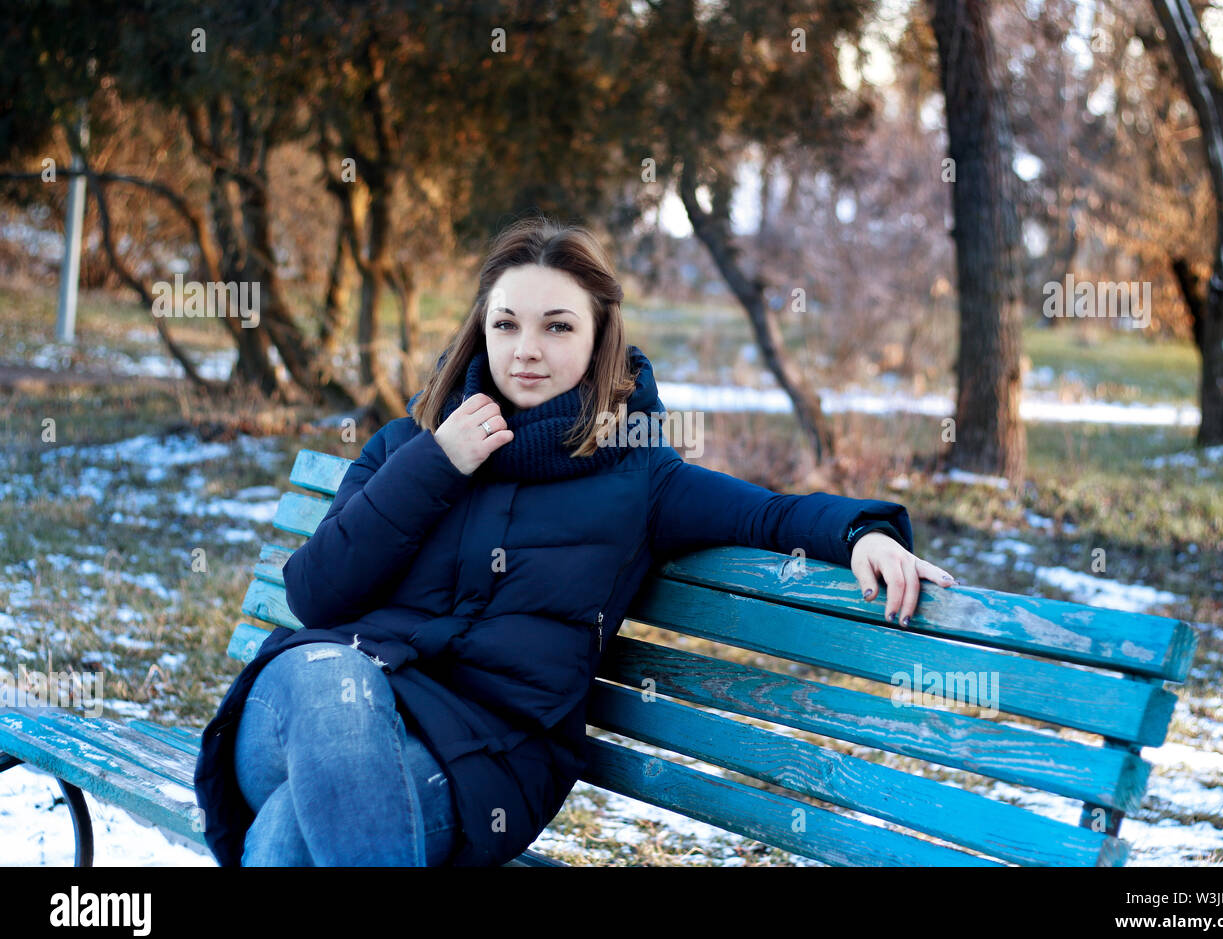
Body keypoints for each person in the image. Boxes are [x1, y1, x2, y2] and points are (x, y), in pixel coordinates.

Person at [192, 214, 956, 867]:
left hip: (479, 763)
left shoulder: (639, 479)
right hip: (312, 716)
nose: (527, 349)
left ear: (598, 342)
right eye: (507, 324)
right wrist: (439, 464)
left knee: (294, 835)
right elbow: (316, 594)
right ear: (481, 330)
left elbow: (770, 515)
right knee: (329, 669)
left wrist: (862, 533)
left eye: (558, 327)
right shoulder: (406, 447)